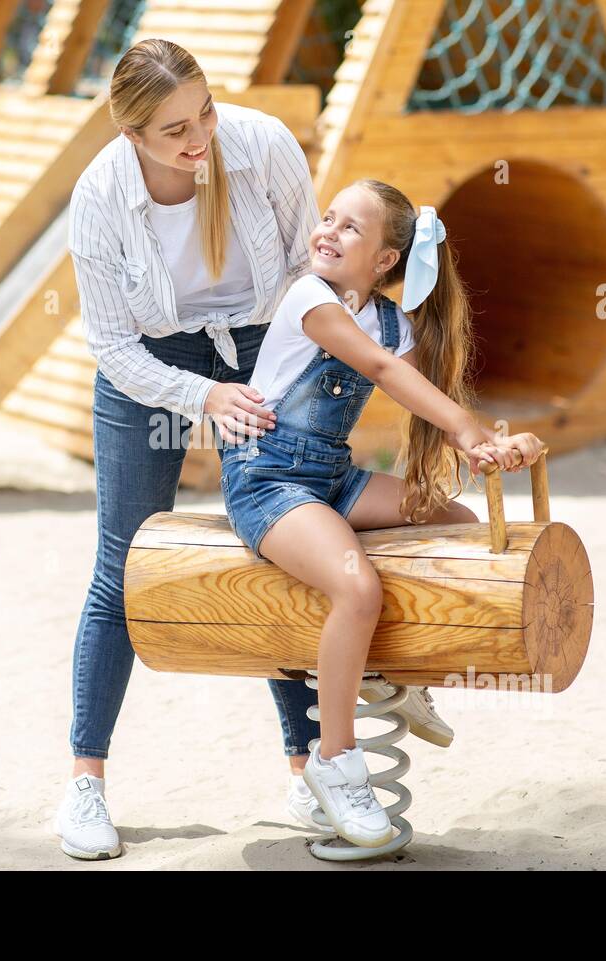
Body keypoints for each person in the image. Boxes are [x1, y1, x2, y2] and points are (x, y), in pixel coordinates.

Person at [53, 38, 459, 861]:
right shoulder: (98, 196)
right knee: (119, 562)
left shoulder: (260, 144)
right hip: (153, 365)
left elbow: (301, 275)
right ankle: (86, 779)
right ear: (130, 133)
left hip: (257, 338)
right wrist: (202, 396)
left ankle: (306, 767)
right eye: (173, 129)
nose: (198, 137)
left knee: (286, 540)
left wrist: (267, 376)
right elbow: (112, 345)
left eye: (203, 112)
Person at [217, 178, 544, 847]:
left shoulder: (392, 323)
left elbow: (425, 390)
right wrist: (466, 427)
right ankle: (333, 761)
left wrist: (495, 446)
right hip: (268, 479)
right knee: (356, 585)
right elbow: (382, 371)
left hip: (330, 476)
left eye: (348, 228)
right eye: (328, 218)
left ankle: (405, 672)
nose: (327, 232)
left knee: (451, 520)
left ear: (386, 261)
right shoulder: (312, 297)